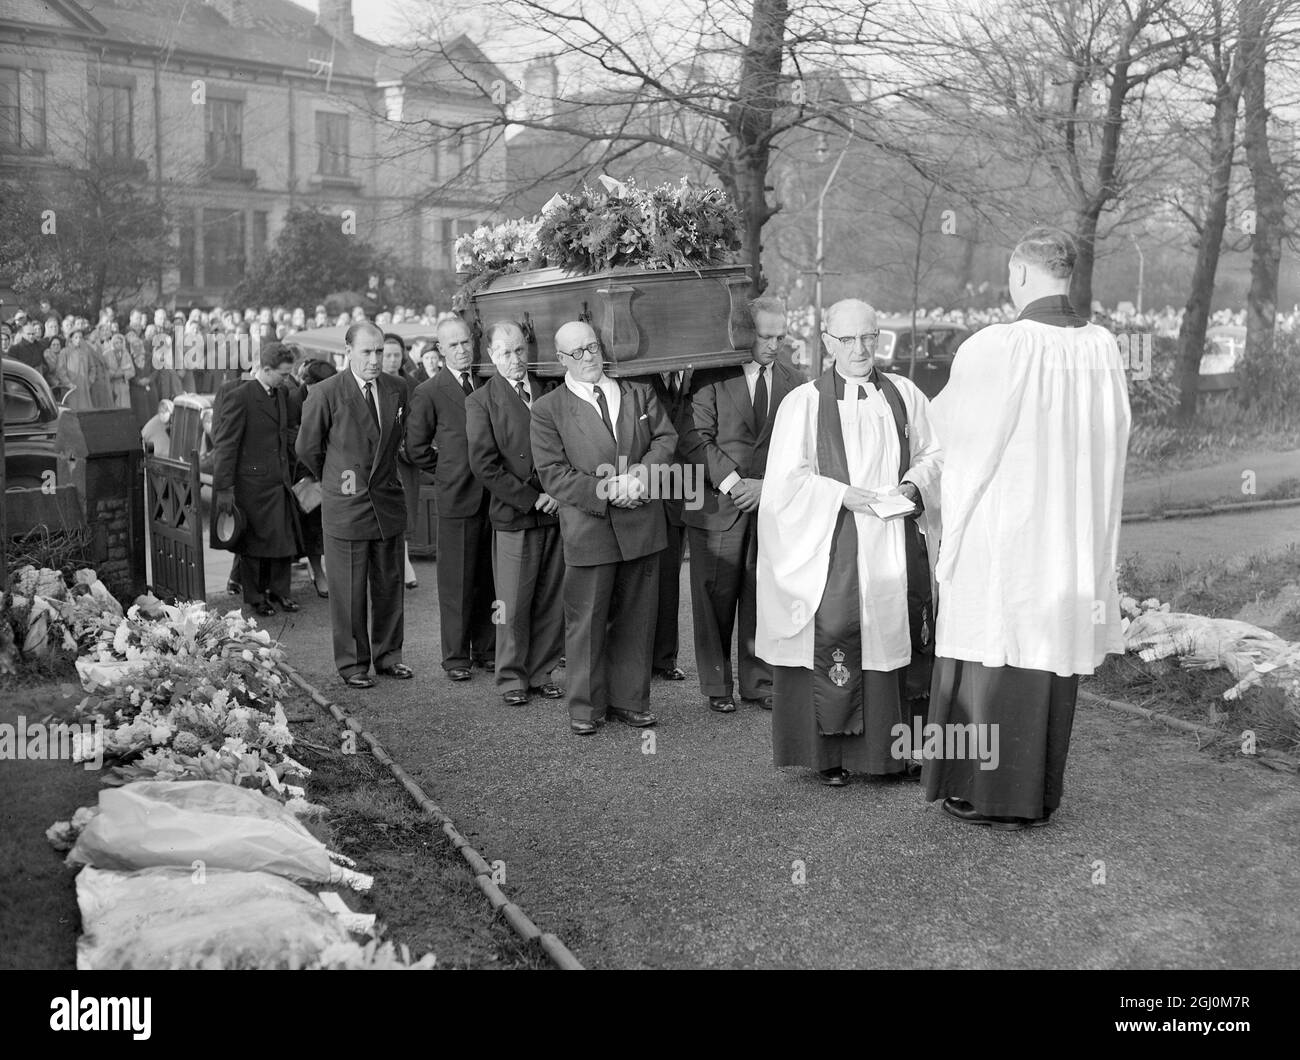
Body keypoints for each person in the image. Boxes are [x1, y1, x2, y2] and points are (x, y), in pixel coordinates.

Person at [922, 227, 1131, 830]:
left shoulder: (997, 346)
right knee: (1047, 659)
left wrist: (946, 524)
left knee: (996, 656)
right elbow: (1113, 445)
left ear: (1019, 275)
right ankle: (1035, 795)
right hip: (1067, 540)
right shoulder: (1103, 347)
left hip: (1005, 536)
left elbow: (957, 442)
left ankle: (992, 795)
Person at [756, 298, 942, 786]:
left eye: (868, 337)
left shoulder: (903, 393)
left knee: (896, 638)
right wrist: (840, 495)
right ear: (827, 341)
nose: (860, 348)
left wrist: (914, 485)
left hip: (895, 542)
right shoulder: (804, 403)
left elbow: (934, 453)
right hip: (834, 541)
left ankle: (897, 752)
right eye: (847, 339)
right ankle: (832, 756)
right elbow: (783, 484)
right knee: (839, 635)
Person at [530, 320, 677, 736]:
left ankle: (630, 701)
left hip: (642, 521)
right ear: (561, 360)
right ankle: (586, 707)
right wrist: (608, 489)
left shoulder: (638, 391)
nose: (588, 357)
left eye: (591, 347)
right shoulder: (548, 409)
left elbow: (665, 439)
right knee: (587, 620)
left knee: (637, 617)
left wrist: (641, 479)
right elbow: (553, 473)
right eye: (576, 353)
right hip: (591, 527)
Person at [680, 295, 800, 713]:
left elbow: (800, 448)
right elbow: (695, 438)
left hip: (768, 506)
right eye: (766, 336)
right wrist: (735, 484)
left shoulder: (795, 380)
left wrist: (764, 487)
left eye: (780, 337)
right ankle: (717, 686)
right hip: (717, 506)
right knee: (713, 599)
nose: (774, 345)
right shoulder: (708, 376)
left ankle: (759, 682)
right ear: (745, 333)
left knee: (761, 596)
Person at [296, 322, 412, 689]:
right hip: (346, 505)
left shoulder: (398, 389)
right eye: (367, 352)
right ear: (347, 351)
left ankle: (389, 656)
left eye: (379, 351)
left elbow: (392, 445)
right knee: (347, 590)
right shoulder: (325, 393)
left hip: (387, 503)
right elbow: (307, 449)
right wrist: (336, 479)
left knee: (389, 584)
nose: (375, 359)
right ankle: (352, 664)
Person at [466, 321, 565, 707]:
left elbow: (566, 446)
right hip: (515, 514)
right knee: (511, 602)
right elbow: (484, 465)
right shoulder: (480, 401)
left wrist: (556, 493)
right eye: (505, 352)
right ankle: (510, 678)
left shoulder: (549, 390)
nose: (515, 359)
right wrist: (531, 498)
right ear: (491, 356)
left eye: (520, 350)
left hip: (554, 510)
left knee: (549, 597)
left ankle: (541, 672)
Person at [405, 316, 496, 681]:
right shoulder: (429, 391)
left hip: (494, 496)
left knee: (489, 578)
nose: (461, 350)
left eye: (465, 343)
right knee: (457, 581)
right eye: (453, 345)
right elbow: (415, 448)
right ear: (440, 350)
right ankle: (456, 657)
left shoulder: (489, 383)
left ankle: (487, 648)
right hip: (457, 497)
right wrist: (448, 470)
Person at [211, 343, 304, 617]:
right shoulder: (240, 397)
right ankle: (255, 598)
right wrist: (224, 489)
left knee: (282, 539)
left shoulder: (282, 392)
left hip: (279, 480)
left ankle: (280, 592)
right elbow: (226, 446)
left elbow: (285, 432)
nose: (287, 379)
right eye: (283, 374)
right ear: (264, 369)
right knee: (254, 545)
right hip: (251, 484)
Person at [638, 365, 692, 684]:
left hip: (680, 489)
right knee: (641, 577)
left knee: (670, 576)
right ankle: (638, 655)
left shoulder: (693, 375)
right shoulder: (640, 377)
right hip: (645, 484)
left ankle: (664, 657)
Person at [295, 359, 337, 599]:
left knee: (328, 526)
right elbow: (298, 441)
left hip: (329, 469)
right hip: (307, 473)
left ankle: (329, 573)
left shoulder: (333, 396)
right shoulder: (295, 400)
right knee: (312, 527)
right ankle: (318, 573)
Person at [382, 332, 420, 590]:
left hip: (406, 457)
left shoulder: (412, 385)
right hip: (382, 459)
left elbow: (418, 422)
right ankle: (396, 567)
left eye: (397, 355)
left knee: (404, 510)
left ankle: (404, 564)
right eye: (387, 355)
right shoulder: (376, 383)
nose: (393, 360)